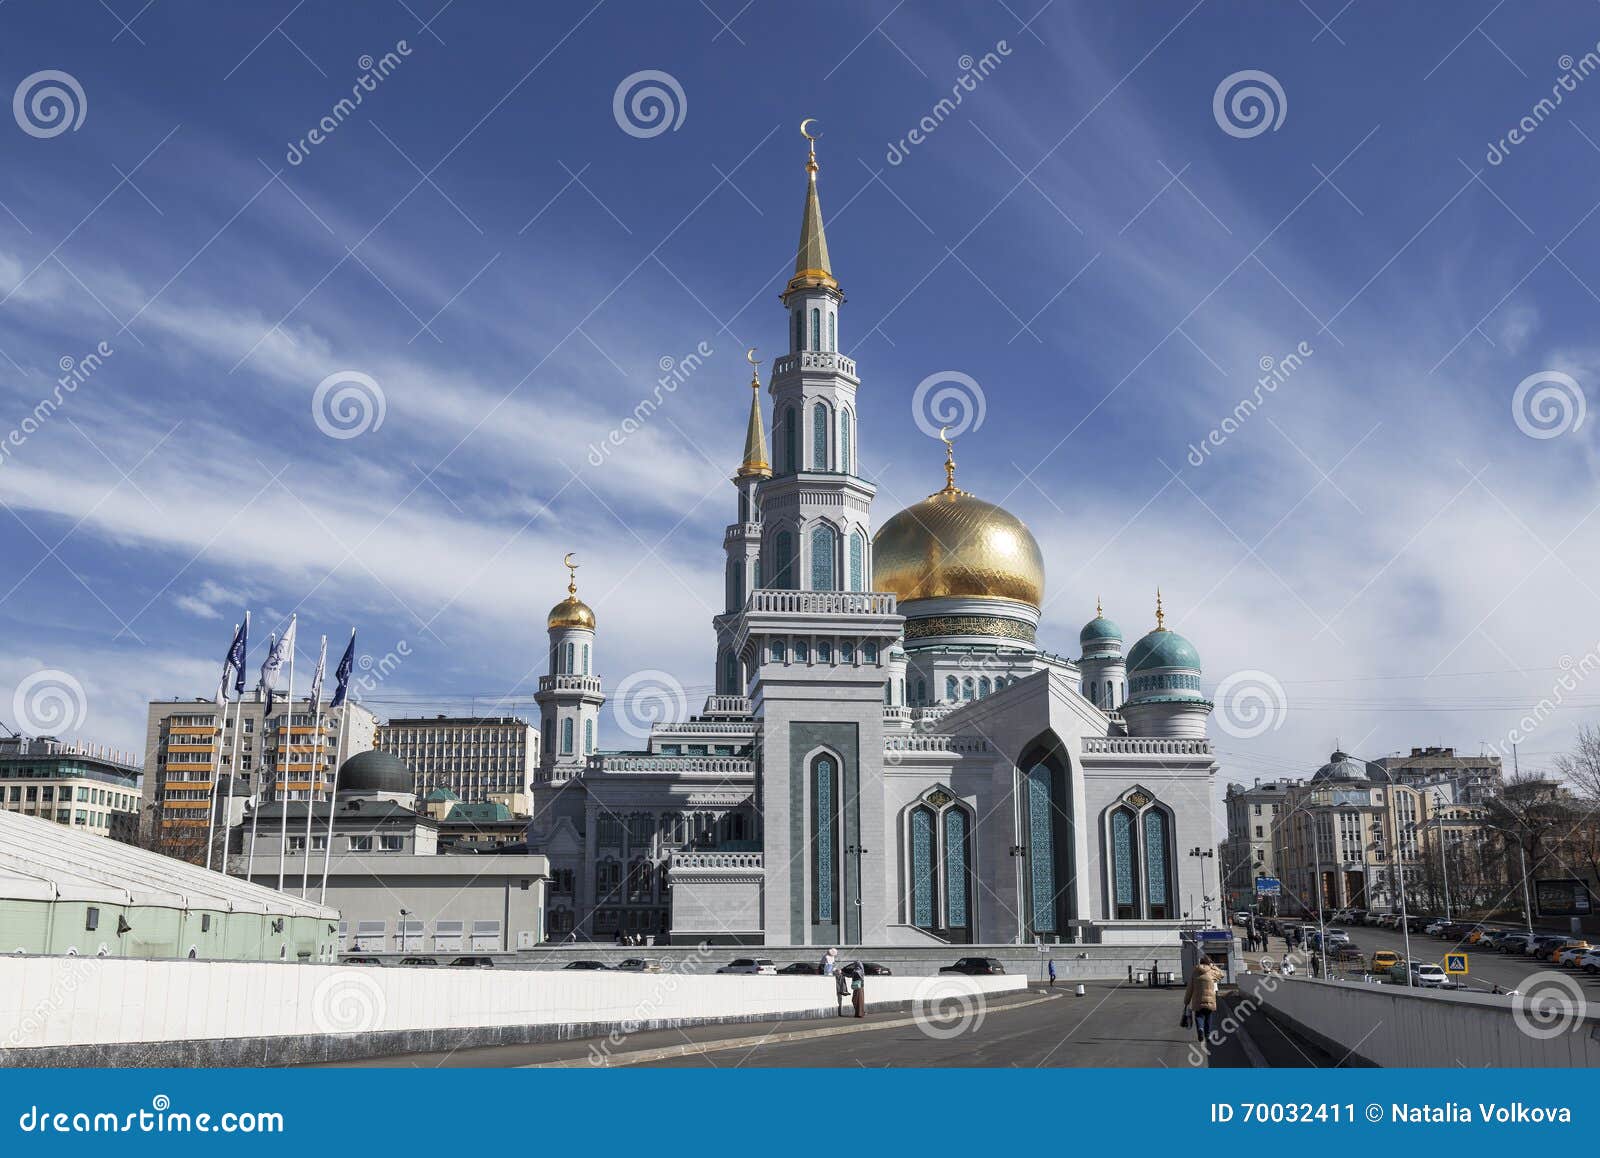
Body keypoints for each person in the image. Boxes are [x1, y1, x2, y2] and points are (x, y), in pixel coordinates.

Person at [1181, 958, 1222, 1043]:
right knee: (1208, 1017)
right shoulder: (1212, 972)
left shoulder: (1195, 972)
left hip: (1198, 1000)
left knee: (1199, 1016)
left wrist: (1186, 1001)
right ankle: (1208, 1036)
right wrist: (1214, 966)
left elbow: (1190, 988)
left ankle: (1200, 1029)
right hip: (1210, 1000)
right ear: (1208, 964)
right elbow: (1222, 974)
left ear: (1200, 963)